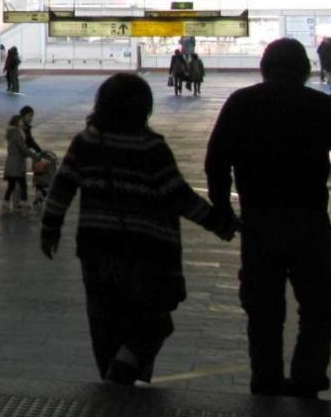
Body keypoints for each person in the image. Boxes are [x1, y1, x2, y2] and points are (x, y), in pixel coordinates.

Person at [204, 38, 331, 398]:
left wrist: (223, 211)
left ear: (264, 68)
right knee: (320, 309)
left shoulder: (242, 103)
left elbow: (217, 161)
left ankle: (266, 383)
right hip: (310, 223)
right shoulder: (322, 107)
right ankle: (307, 381)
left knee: (264, 312)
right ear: (305, 69)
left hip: (259, 226)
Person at [40, 74, 235, 385]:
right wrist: (218, 223)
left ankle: (113, 383)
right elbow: (178, 195)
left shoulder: (86, 142)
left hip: (96, 250)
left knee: (105, 322)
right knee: (151, 320)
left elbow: (62, 188)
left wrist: (50, 227)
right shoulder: (151, 148)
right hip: (145, 253)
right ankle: (125, 377)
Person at [2, 107, 39, 214]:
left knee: (12, 186)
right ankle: (22, 204)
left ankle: (7, 204)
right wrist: (35, 156)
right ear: (18, 122)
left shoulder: (15, 133)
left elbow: (27, 144)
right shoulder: (18, 134)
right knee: (22, 185)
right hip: (16, 165)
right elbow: (24, 148)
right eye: (29, 116)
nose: (30, 118)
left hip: (13, 164)